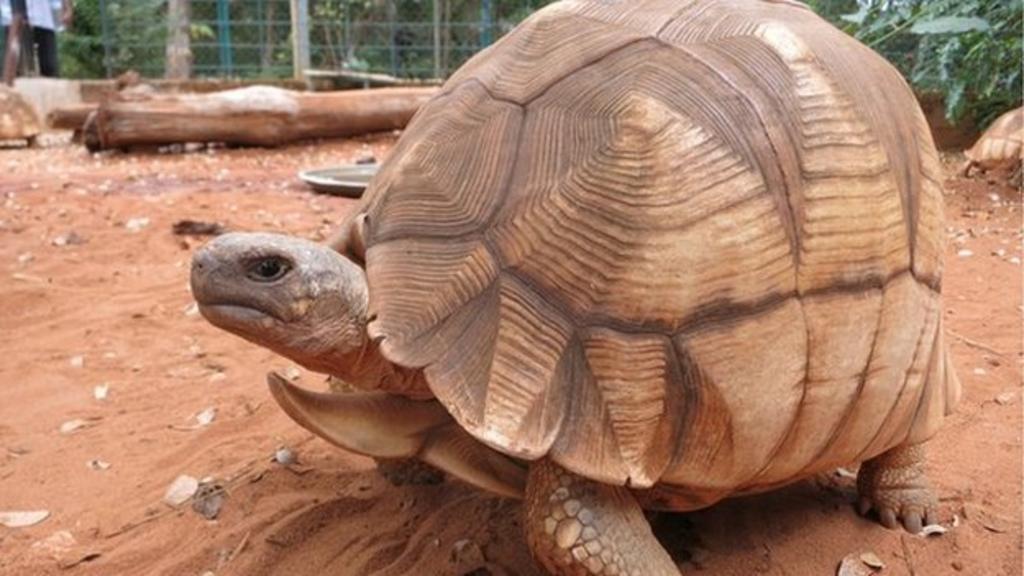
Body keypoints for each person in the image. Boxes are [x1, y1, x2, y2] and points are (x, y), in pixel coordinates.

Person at [2, 0, 72, 83]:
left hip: (43, 17)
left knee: (50, 67)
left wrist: (67, 7)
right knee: (17, 70)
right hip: (10, 18)